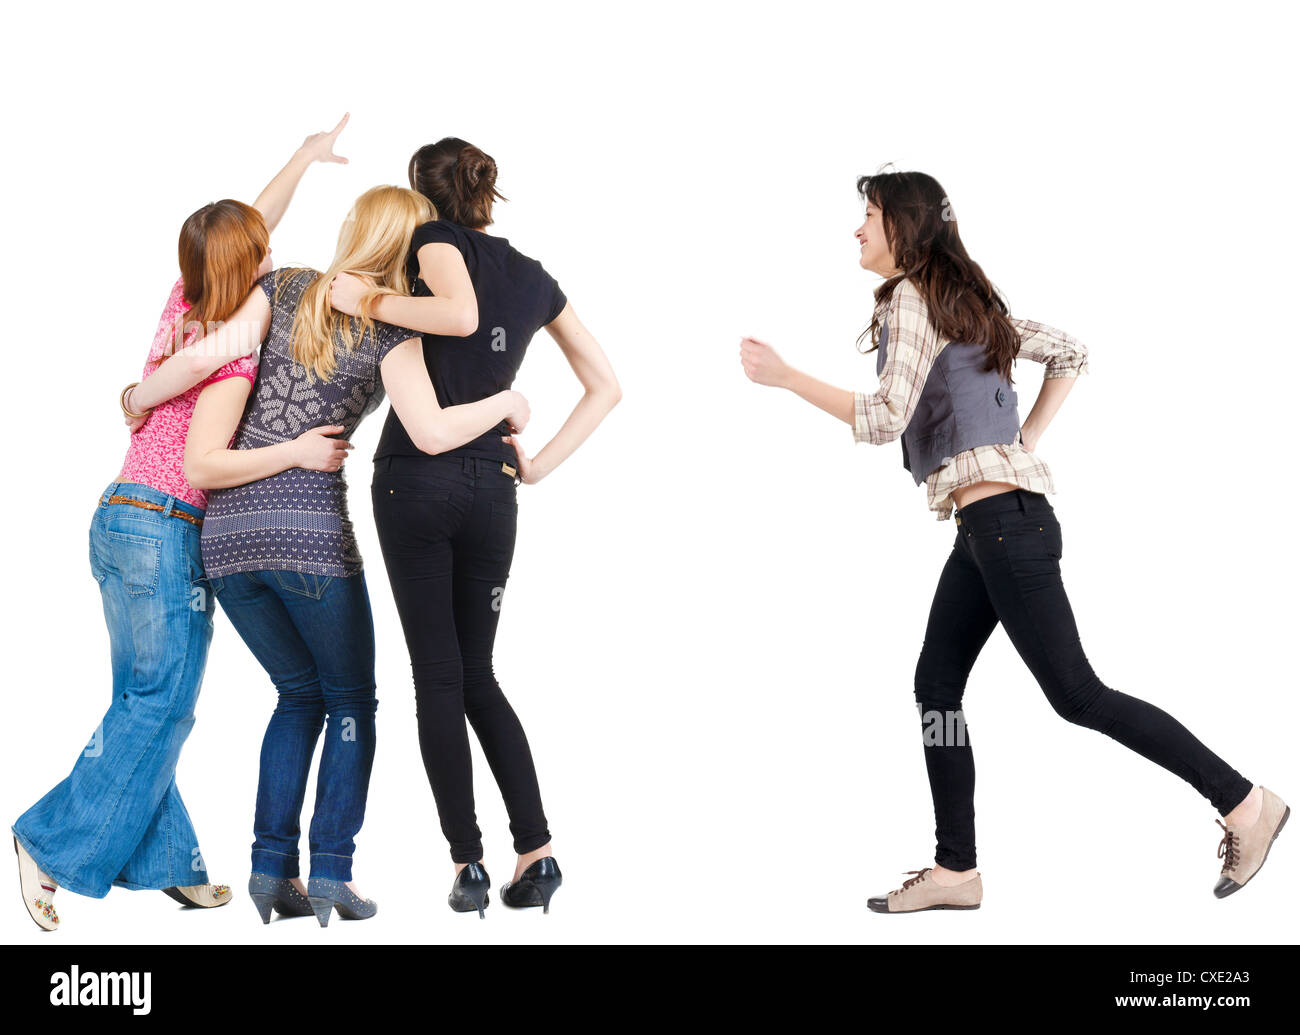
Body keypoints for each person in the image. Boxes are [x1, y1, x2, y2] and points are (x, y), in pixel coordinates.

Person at [739, 169, 1287, 912]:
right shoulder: (965, 302)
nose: (857, 229)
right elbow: (1071, 351)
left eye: (868, 214)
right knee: (937, 683)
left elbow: (883, 417)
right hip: (990, 528)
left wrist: (784, 376)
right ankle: (956, 869)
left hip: (1005, 530)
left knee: (1078, 694)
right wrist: (1019, 445)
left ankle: (1244, 802)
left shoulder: (911, 300)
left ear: (904, 226)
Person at [11, 116, 351, 930]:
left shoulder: (188, 296)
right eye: (263, 257)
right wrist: (300, 450)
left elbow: (248, 226)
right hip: (164, 525)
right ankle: (47, 842)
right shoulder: (234, 356)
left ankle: (169, 860)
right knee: (160, 704)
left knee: (145, 697)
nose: (271, 257)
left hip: (119, 516)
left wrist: (302, 158)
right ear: (251, 272)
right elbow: (204, 467)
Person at [180, 184, 530, 927]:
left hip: (228, 541)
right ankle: (332, 869)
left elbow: (215, 352)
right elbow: (432, 432)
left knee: (295, 695)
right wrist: (505, 402)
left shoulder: (282, 285)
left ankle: (271, 868)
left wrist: (143, 393)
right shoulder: (391, 334)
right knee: (350, 701)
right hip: (308, 539)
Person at [330, 137, 621, 916]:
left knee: (439, 678)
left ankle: (469, 864)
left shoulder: (430, 241)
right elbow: (607, 384)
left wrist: (365, 299)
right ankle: (540, 851)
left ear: (423, 199)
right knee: (480, 675)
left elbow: (457, 316)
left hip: (417, 482)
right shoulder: (533, 277)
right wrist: (539, 463)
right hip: (494, 489)